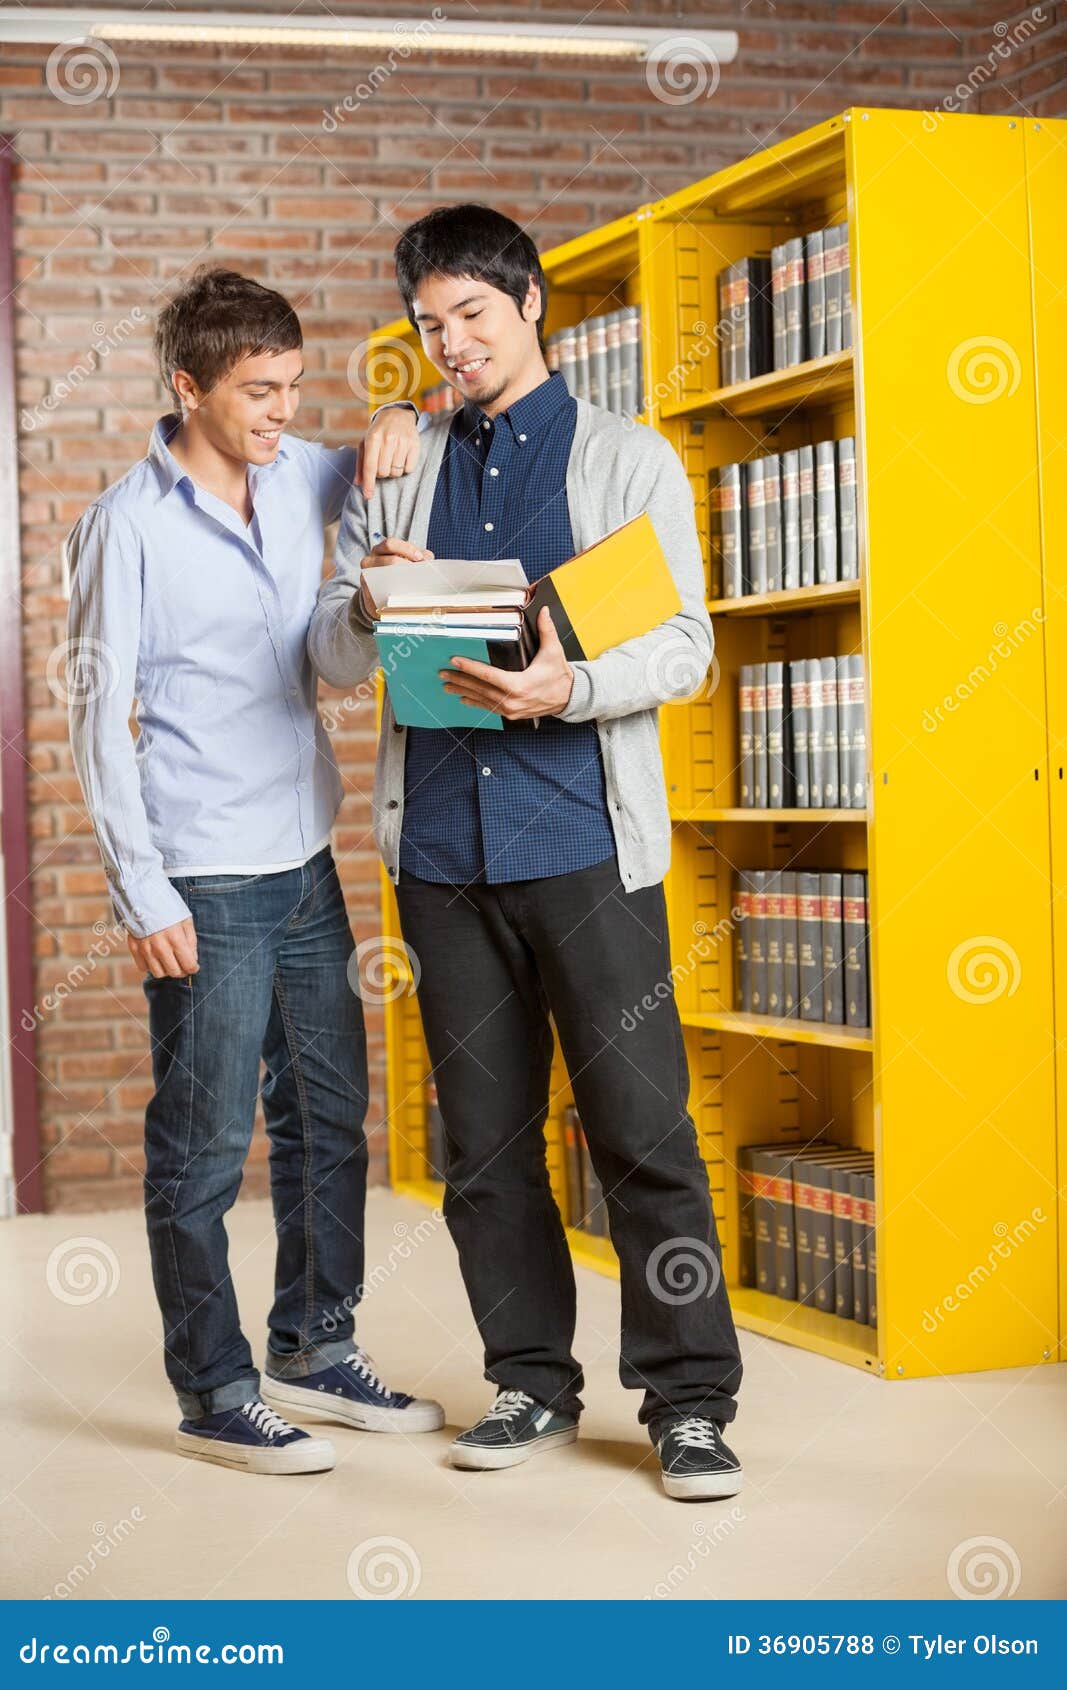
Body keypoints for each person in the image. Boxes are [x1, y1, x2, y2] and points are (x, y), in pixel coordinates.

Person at [308, 206, 744, 1501]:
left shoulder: (626, 460)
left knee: (641, 1130)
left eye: (472, 317)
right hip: (440, 854)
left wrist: (571, 688)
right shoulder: (393, 467)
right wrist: (370, 601)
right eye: (429, 325)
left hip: (582, 850)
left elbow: (682, 648)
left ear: (531, 303)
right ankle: (529, 1380)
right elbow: (328, 654)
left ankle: (687, 1401)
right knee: (485, 1144)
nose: (450, 345)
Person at [66, 266, 438, 1475]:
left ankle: (312, 1346)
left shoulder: (301, 472)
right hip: (204, 874)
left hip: (303, 857)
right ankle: (216, 1384)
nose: (283, 409)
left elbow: (405, 439)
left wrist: (398, 419)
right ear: (188, 387)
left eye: (292, 385)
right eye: (257, 390)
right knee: (204, 1140)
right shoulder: (123, 524)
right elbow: (93, 716)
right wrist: (141, 890)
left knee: (328, 1117)